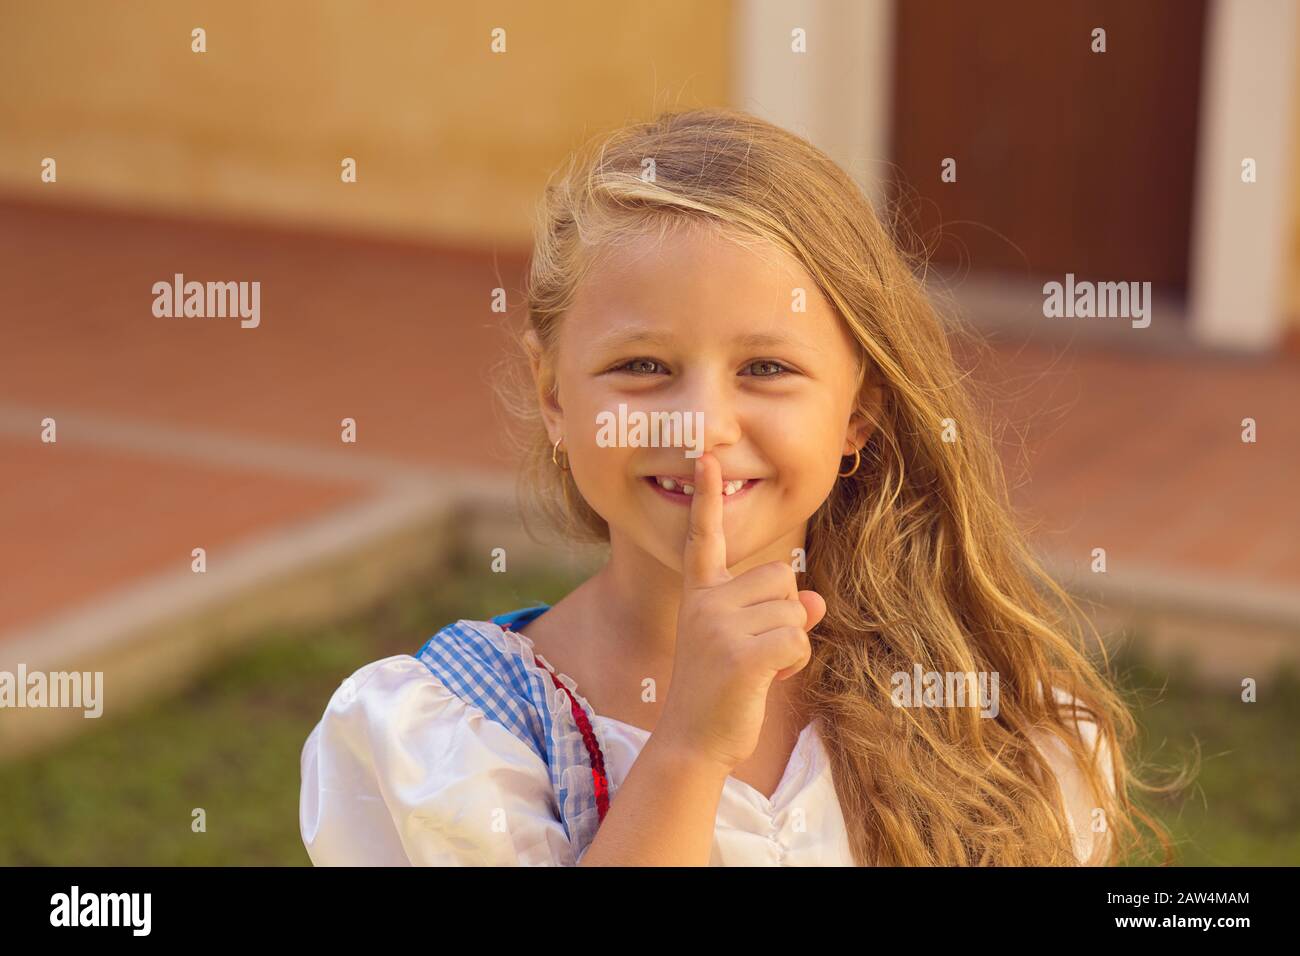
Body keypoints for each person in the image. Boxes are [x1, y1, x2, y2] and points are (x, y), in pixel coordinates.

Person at [300, 107, 1168, 866]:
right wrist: (687, 748)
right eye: (642, 366)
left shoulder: (977, 716)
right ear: (554, 396)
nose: (702, 425)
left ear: (857, 415)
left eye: (765, 367)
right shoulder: (453, 739)